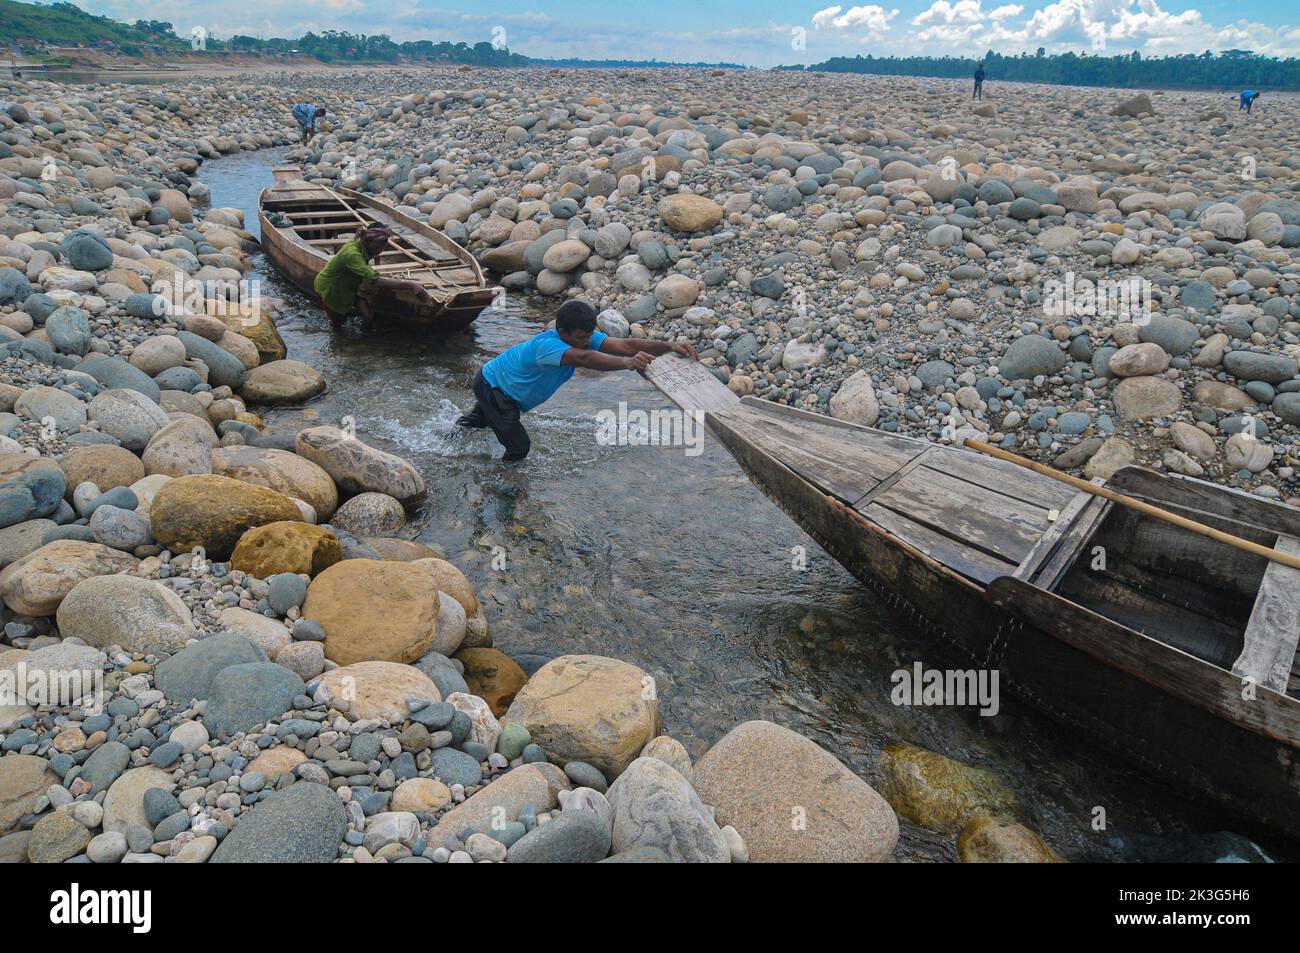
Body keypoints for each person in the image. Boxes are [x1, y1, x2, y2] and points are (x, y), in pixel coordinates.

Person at [457, 299, 699, 462]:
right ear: (563, 333)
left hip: (495, 381)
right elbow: (584, 358)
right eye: (582, 337)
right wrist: (627, 364)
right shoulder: (548, 346)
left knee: (478, 423)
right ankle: (498, 480)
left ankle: (445, 439)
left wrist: (668, 346)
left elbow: (626, 344)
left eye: (589, 335)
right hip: (495, 388)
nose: (587, 340)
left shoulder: (581, 337)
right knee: (519, 447)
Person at [311, 225, 422, 323]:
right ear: (368, 241)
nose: (381, 251)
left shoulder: (360, 243)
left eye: (383, 247)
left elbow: (367, 271)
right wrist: (410, 285)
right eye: (378, 247)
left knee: (368, 316)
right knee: (339, 321)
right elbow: (376, 281)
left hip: (350, 285)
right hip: (331, 288)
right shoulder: (352, 254)